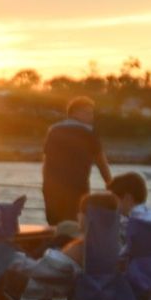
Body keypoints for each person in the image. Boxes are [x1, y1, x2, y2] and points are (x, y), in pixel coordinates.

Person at [41, 96, 112, 225]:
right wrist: (110, 184)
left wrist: (45, 185)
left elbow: (46, 161)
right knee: (75, 224)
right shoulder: (89, 134)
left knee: (55, 224)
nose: (91, 117)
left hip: (52, 187)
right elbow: (101, 161)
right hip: (77, 187)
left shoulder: (54, 130)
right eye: (87, 113)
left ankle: (56, 245)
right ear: (74, 113)